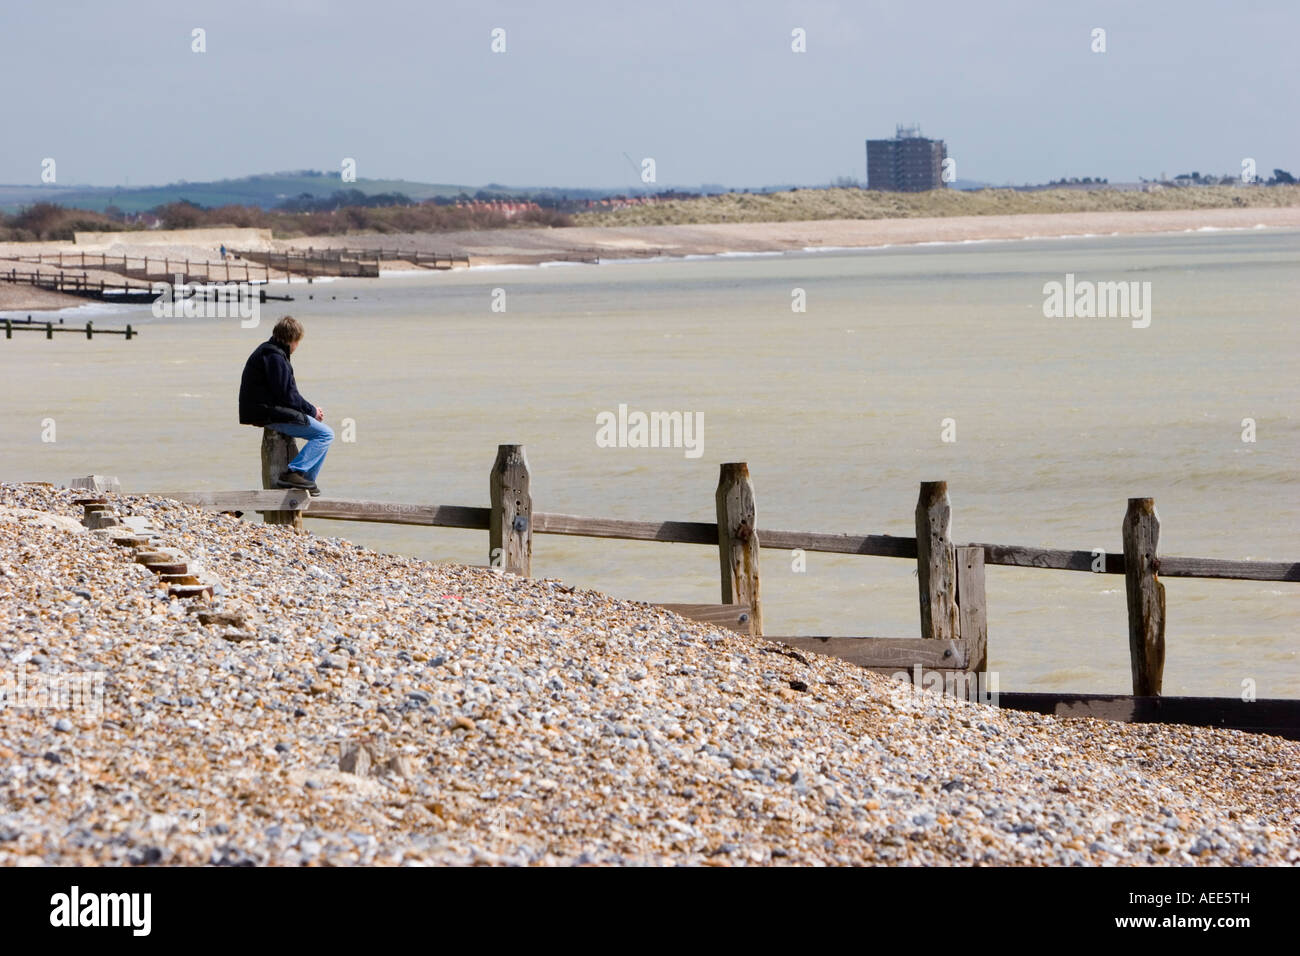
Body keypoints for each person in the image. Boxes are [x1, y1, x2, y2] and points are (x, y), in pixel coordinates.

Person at [238, 315, 332, 495]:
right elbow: (287, 396)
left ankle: (305, 481)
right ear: (293, 340)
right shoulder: (274, 357)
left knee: (322, 433)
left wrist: (309, 411)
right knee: (325, 434)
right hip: (268, 414)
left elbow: (285, 394)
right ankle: (296, 473)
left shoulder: (270, 352)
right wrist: (312, 410)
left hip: (266, 411)